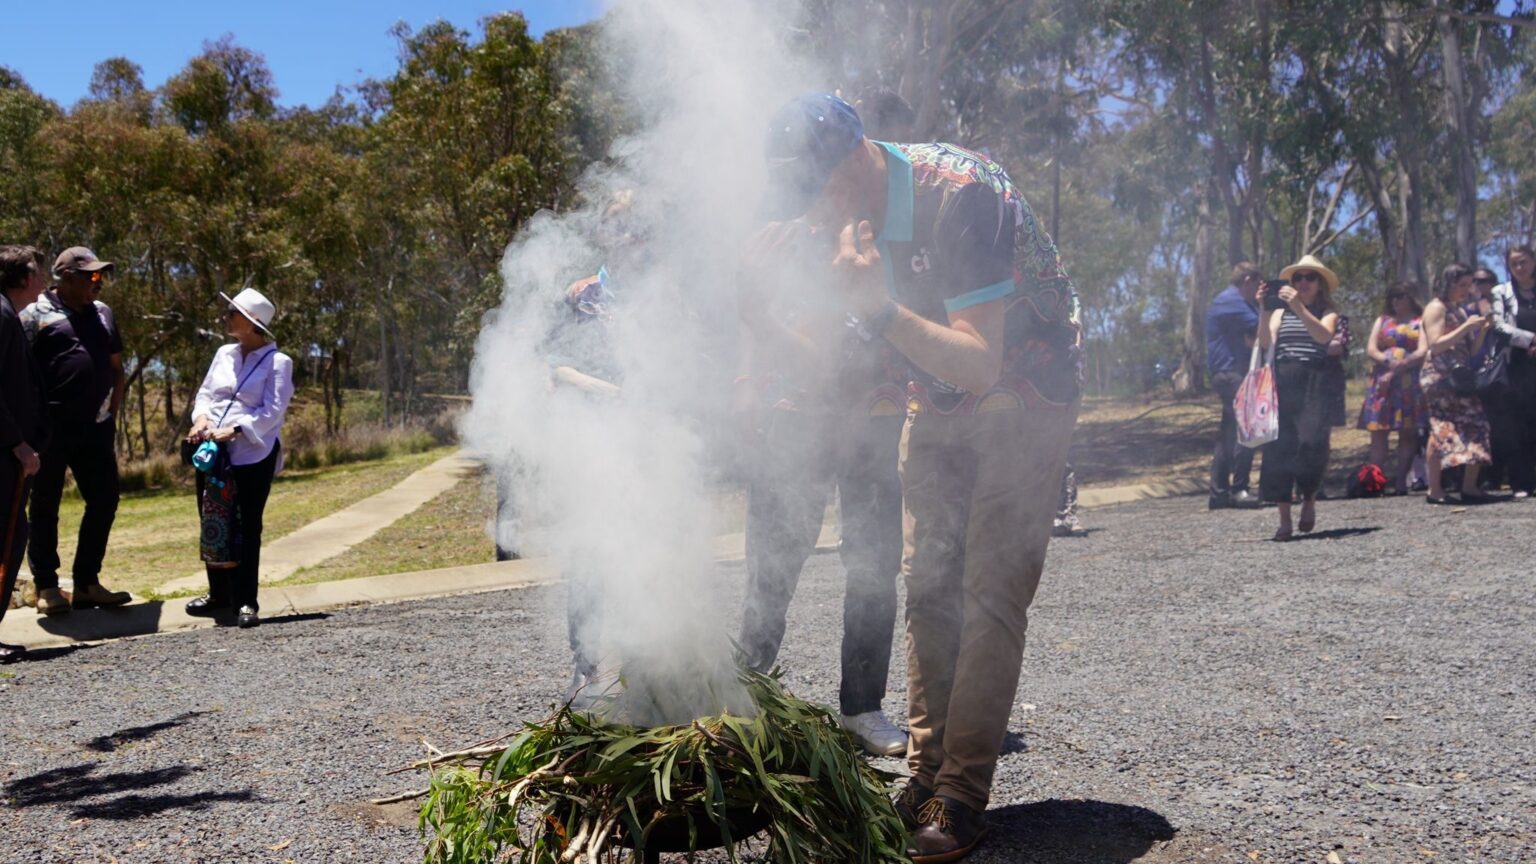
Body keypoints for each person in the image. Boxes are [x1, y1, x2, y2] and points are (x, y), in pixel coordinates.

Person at [756, 93, 1080, 862]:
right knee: (927, 584)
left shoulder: (958, 194)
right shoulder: (842, 222)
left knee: (989, 586)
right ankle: (925, 771)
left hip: (1025, 389)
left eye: (820, 191)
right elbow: (850, 349)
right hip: (932, 393)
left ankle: (962, 794)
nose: (813, 215)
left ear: (858, 155)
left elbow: (978, 360)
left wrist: (874, 308)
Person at [735, 176, 909, 756]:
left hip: (874, 416)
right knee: (773, 559)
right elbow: (757, 321)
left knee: (873, 564)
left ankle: (863, 707)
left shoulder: (883, 239)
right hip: (796, 418)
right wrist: (744, 383)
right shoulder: (778, 240)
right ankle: (744, 692)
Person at [19, 247, 130, 615]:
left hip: (95, 428)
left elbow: (116, 367)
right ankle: (47, 587)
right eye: (92, 277)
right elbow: (16, 372)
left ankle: (86, 583)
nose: (99, 283)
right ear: (67, 277)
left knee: (105, 499)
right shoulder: (34, 315)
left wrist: (111, 412)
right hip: (49, 429)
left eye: (101, 276)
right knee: (45, 504)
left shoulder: (103, 314)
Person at [184, 289, 293, 628]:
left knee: (246, 526)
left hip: (250, 454)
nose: (226, 317)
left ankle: (246, 601)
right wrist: (200, 420)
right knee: (213, 522)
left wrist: (235, 430)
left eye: (233, 312)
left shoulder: (279, 362)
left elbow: (273, 412)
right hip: (213, 452)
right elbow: (205, 394)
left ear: (253, 322)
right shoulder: (224, 353)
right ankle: (219, 595)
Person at [1257, 255, 1340, 541]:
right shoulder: (1280, 313)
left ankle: (1309, 500)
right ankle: (1283, 519)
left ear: (1320, 284)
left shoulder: (1328, 311)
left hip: (1315, 382)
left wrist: (1299, 307)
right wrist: (1264, 309)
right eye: (1298, 278)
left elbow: (1323, 337)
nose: (1303, 282)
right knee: (1280, 449)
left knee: (1312, 444)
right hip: (1282, 381)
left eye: (1310, 277)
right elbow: (1265, 343)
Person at [0, 246, 49, 663]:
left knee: (13, 535)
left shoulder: (9, 316)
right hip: (4, 455)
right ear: (20, 277)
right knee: (7, 538)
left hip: (11, 453)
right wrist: (18, 443)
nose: (43, 280)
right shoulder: (0, 315)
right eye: (37, 272)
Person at [1419, 263, 1492, 504]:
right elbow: (1435, 344)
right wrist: (1464, 328)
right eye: (1461, 285)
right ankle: (1434, 489)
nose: (1466, 289)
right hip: (1439, 377)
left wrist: (1480, 331)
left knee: (1476, 423)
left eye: (1468, 285)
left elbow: (1470, 350)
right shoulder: (1435, 308)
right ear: (1448, 283)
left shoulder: (1458, 309)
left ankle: (1469, 486)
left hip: (1461, 375)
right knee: (1441, 428)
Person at [1357, 283, 1428, 494]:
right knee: (1378, 431)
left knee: (1408, 432)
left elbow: (1423, 350)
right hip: (1382, 383)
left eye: (1402, 296)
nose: (1397, 301)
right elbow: (1371, 348)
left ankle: (1400, 482)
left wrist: (1402, 364)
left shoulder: (1420, 321)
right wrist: (1388, 362)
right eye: (1393, 296)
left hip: (1409, 383)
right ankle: (1375, 483)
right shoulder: (1383, 320)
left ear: (1411, 297)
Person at [1205, 263, 1263, 509]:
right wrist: (1263, 305)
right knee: (1245, 427)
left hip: (1231, 372)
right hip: (1231, 373)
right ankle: (1239, 489)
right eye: (1258, 284)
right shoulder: (1231, 301)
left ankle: (1219, 494)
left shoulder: (1234, 301)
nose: (1258, 290)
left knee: (1229, 433)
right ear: (1248, 280)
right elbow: (1261, 328)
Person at [1489, 246, 1536, 497]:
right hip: (1517, 365)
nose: (1520, 268)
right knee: (1520, 425)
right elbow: (1498, 326)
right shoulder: (1501, 291)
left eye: (1524, 262)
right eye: (1514, 264)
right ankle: (1522, 483)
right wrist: (1530, 340)